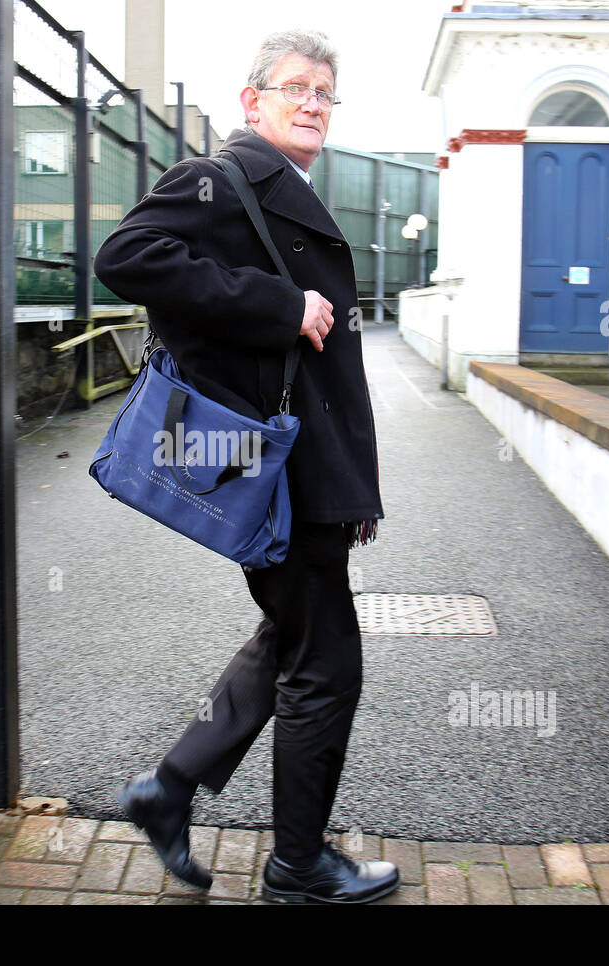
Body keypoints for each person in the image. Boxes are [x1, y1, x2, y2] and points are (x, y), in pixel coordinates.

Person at [95, 28, 398, 904]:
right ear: (252, 101)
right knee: (325, 664)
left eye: (325, 91)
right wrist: (278, 303)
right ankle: (299, 866)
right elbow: (127, 257)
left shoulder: (288, 188)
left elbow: (329, 372)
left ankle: (168, 789)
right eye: (295, 87)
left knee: (288, 638)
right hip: (274, 471)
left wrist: (355, 488)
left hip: (305, 468)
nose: (313, 102)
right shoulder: (220, 179)